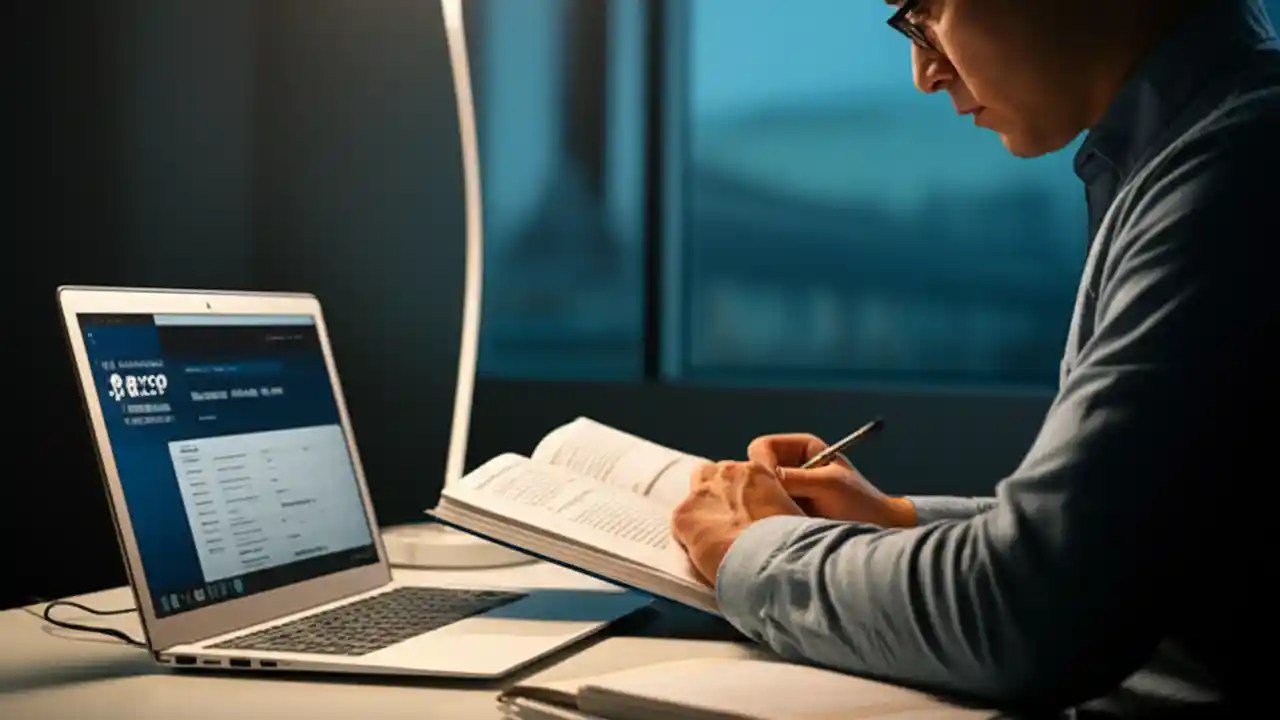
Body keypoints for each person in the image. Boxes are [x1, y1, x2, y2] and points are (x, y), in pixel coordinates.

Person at [670, 0, 1278, 715]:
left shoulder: (1236, 176)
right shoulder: (1205, 148)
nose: (925, 72)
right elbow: (1134, 545)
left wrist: (760, 553)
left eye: (926, 10)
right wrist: (898, 523)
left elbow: (1037, 609)